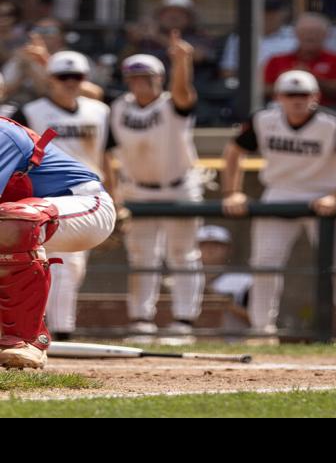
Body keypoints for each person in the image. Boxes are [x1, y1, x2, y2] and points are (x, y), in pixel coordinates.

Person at [221, 71, 336, 344]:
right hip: (279, 193)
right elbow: (234, 150)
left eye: (304, 95)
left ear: (315, 97)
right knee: (264, 264)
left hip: (325, 195)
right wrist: (232, 192)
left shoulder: (333, 124)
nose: (297, 101)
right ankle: (262, 329)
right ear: (278, 97)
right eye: (290, 95)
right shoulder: (263, 119)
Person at [0, 103, 119, 369]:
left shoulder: (2, 134)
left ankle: (28, 340)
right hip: (31, 213)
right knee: (10, 223)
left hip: (85, 204)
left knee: (13, 223)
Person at [111, 39, 205, 345]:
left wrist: (182, 62)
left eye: (147, 78)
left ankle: (183, 322)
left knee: (183, 255)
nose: (141, 83)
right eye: (135, 78)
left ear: (159, 79)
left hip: (178, 188)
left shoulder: (170, 103)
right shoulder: (119, 107)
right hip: (137, 190)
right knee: (141, 257)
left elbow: (183, 94)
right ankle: (141, 320)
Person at [19, 51, 115, 343]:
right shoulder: (31, 111)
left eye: (77, 77)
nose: (70, 83)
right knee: (62, 267)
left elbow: (107, 156)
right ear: (50, 79)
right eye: (63, 77)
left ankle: (47, 331)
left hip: (86, 197)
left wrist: (117, 197)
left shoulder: (99, 110)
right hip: (46, 196)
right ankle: (58, 334)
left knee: (73, 270)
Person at [263, 14, 336, 108]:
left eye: (315, 32)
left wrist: (311, 77)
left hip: (327, 111)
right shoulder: (277, 60)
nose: (310, 35)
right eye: (305, 31)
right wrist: (287, 80)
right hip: (282, 112)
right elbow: (262, 89)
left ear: (326, 35)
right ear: (296, 34)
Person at [199, 225, 253, 338]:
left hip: (233, 344)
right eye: (203, 244)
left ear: (229, 249)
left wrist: (224, 303)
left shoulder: (243, 281)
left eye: (217, 244)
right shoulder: (180, 281)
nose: (210, 249)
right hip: (189, 343)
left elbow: (257, 320)